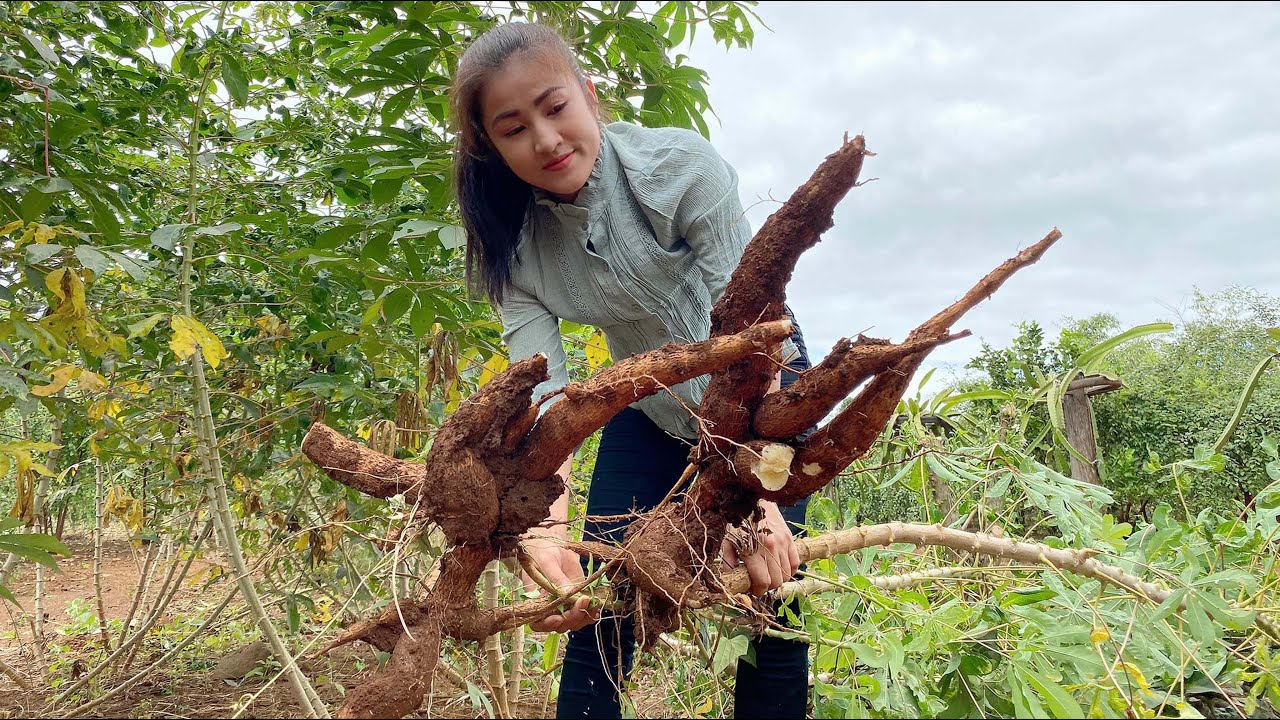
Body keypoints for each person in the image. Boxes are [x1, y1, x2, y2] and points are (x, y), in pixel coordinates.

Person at [449, 21, 814, 719]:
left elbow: (749, 332)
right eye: (514, 127)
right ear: (494, 148)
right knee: (604, 595)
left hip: (768, 392)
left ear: (589, 96)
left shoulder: (681, 171)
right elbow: (547, 402)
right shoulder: (511, 251)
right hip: (649, 409)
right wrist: (547, 534)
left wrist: (761, 498)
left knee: (771, 592)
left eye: (555, 108)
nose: (547, 140)